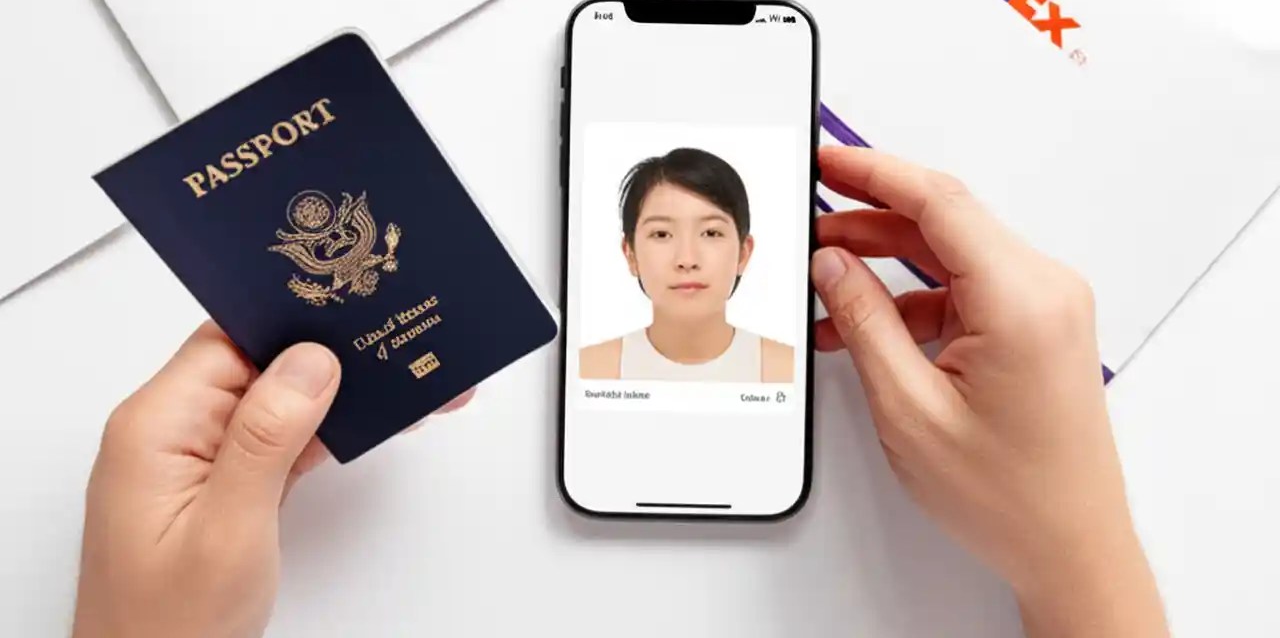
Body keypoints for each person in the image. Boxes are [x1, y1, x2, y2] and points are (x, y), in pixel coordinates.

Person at [69, 145, 1170, 638]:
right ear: (626, 250)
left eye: (707, 233)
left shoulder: (774, 358)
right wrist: (1080, 562)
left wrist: (1069, 553)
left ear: (747, 250)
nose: (684, 255)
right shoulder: (599, 360)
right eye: (658, 230)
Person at [579, 147, 795, 383]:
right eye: (661, 234)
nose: (687, 260)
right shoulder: (589, 371)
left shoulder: (788, 371)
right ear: (630, 255)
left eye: (711, 233)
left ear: (743, 254)